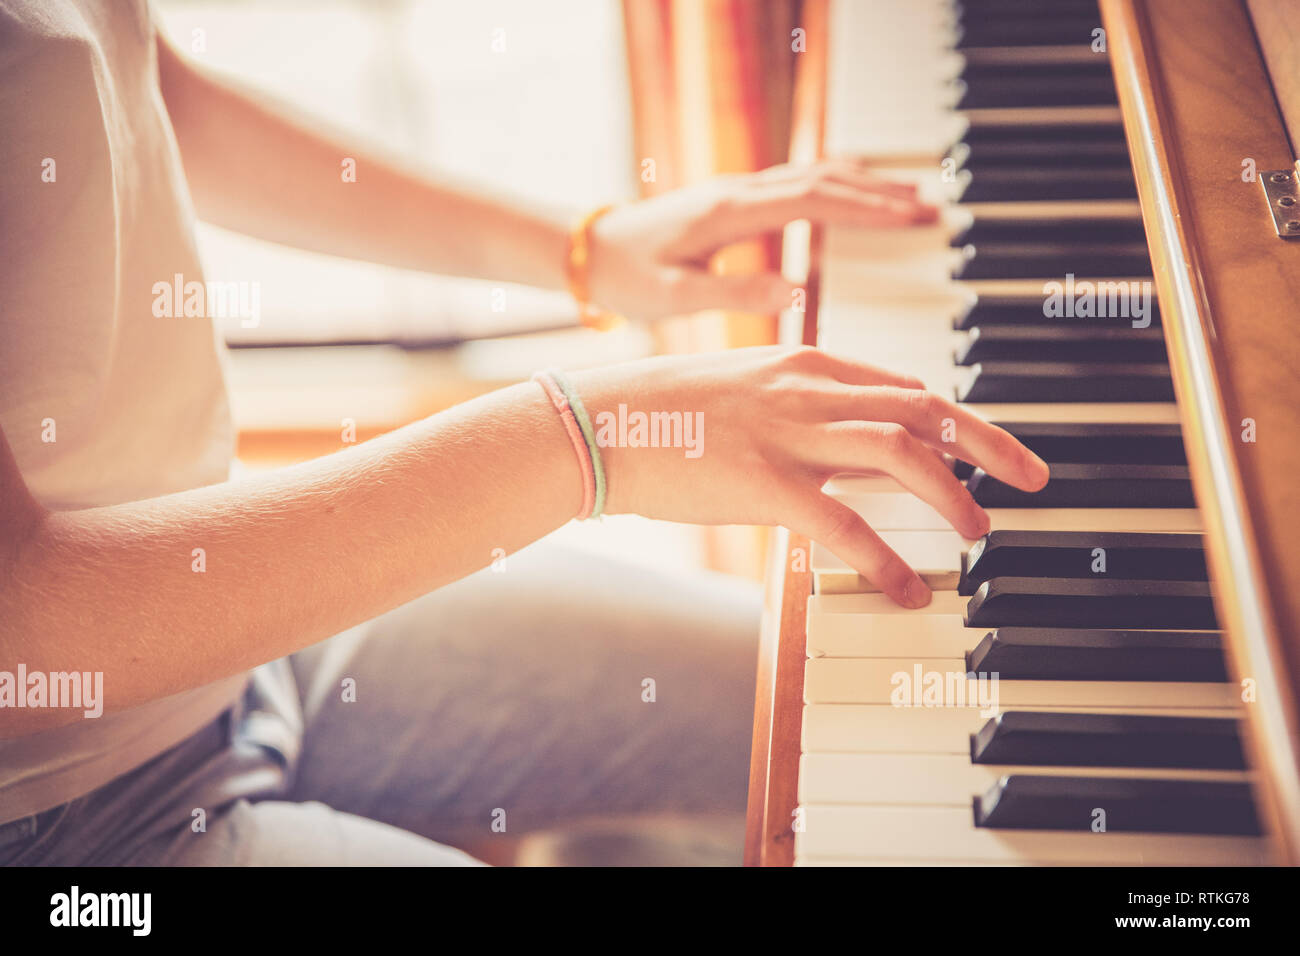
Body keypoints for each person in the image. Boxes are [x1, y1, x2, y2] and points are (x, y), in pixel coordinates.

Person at [0, 0, 1049, 865]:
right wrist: (596, 438)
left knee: (850, 717)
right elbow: (20, 628)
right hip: (71, 826)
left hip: (253, 629)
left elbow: (143, 89)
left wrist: (584, 250)